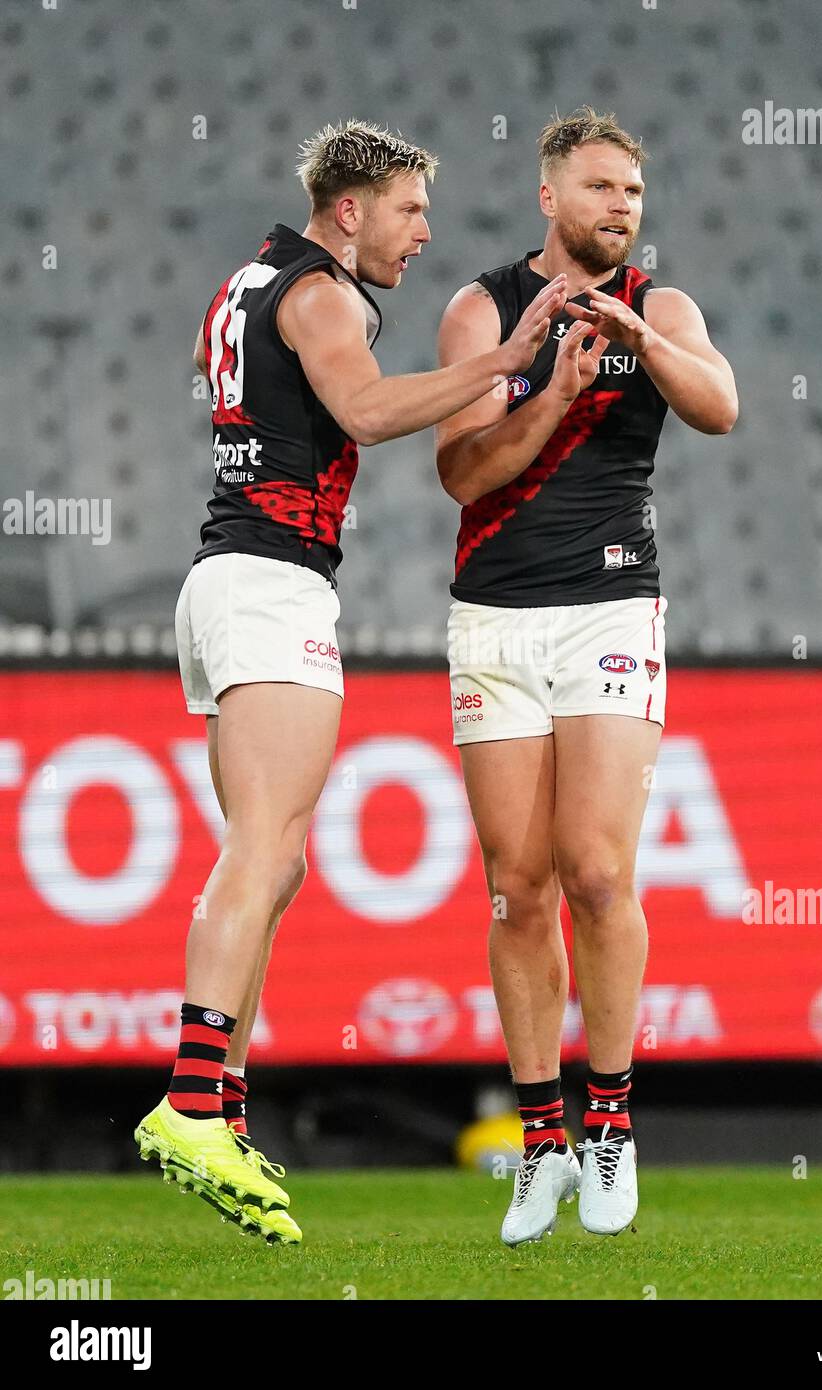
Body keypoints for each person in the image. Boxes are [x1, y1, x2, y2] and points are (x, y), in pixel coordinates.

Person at [135, 119, 567, 1244]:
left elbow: (237, 377)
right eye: (409, 208)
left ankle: (220, 1109)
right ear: (349, 209)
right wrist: (506, 362)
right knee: (264, 849)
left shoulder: (252, 281)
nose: (423, 231)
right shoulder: (323, 292)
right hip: (271, 582)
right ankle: (189, 1101)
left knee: (271, 861)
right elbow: (367, 413)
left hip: (223, 579)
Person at [436, 107, 738, 1244]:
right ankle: (542, 1141)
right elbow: (464, 474)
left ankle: (610, 1122)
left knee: (599, 872)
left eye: (634, 192)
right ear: (550, 197)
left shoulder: (662, 306)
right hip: (495, 616)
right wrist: (555, 388)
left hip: (611, 605)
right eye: (602, 188)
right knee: (517, 886)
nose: (622, 206)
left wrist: (638, 339)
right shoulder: (484, 309)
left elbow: (721, 409)